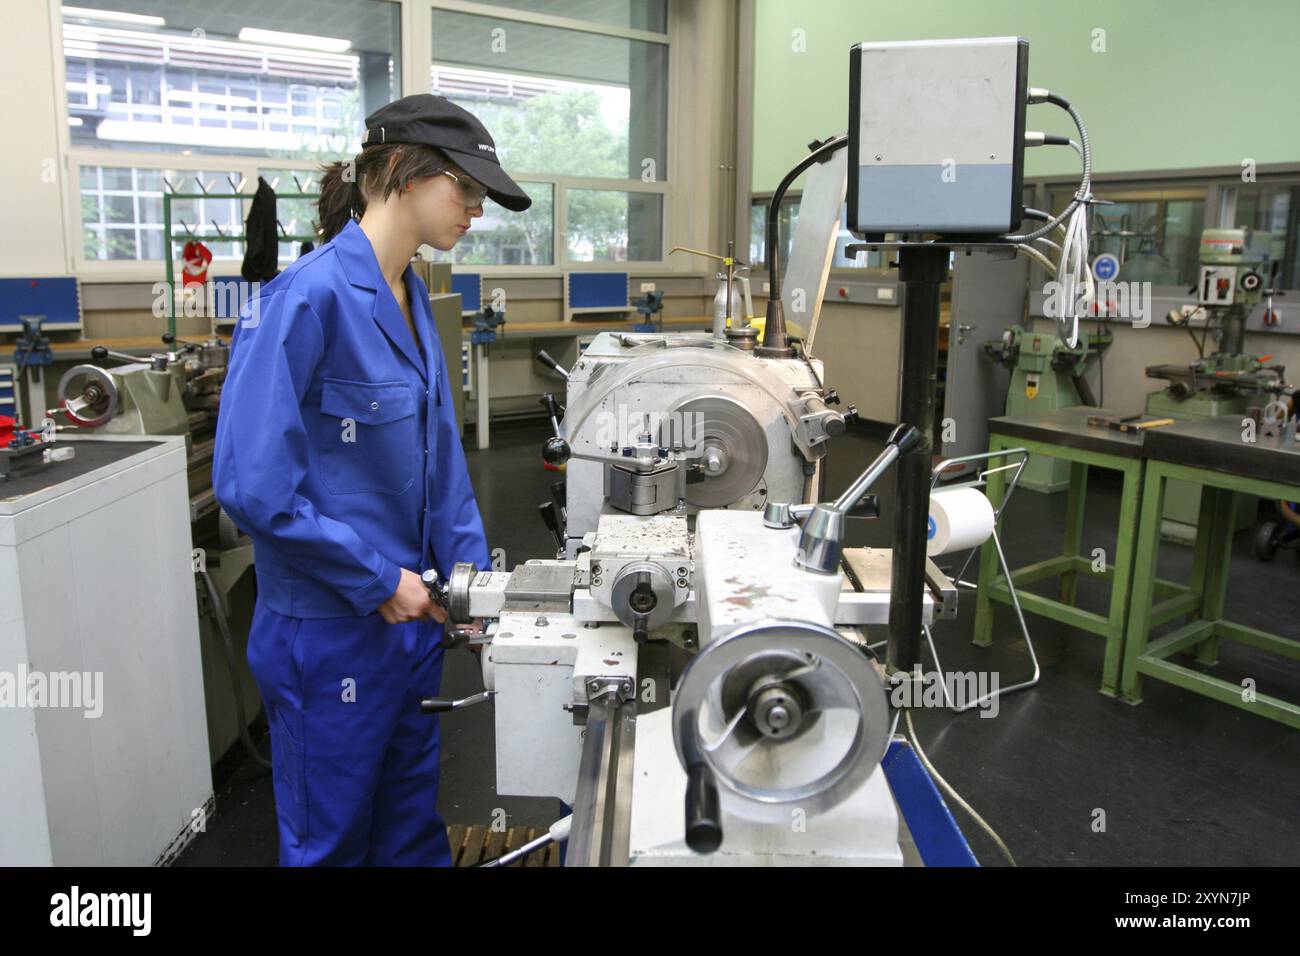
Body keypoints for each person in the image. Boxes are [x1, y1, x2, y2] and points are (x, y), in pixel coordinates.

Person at [213, 94, 532, 866]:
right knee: (331, 843)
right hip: (330, 634)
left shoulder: (418, 297)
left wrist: (476, 589)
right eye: (465, 189)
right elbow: (253, 487)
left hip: (411, 623)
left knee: (407, 832)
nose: (474, 211)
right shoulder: (302, 301)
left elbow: (441, 465)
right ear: (398, 172)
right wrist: (376, 578)